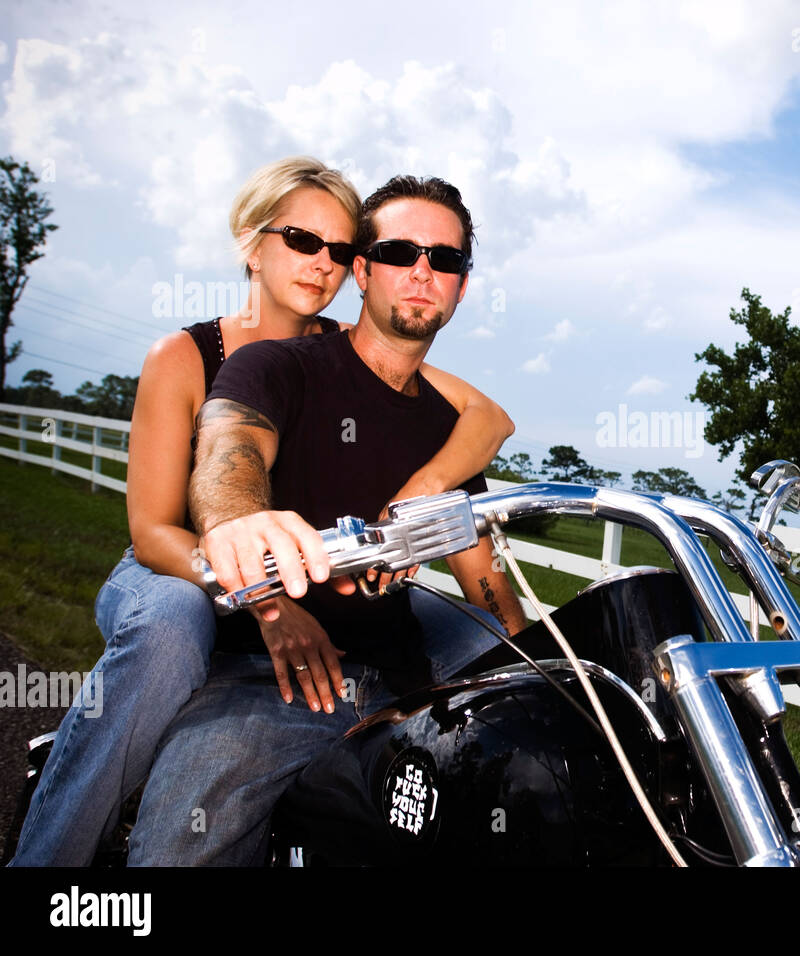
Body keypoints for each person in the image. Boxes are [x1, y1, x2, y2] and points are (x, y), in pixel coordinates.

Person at [10, 158, 515, 866]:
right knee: (169, 630)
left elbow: (484, 416)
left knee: (491, 644)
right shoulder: (197, 356)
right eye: (301, 241)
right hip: (179, 558)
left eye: (339, 250)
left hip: (308, 571)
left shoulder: (355, 342)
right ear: (251, 243)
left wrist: (429, 486)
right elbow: (169, 516)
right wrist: (269, 602)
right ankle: (52, 853)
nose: (322, 263)